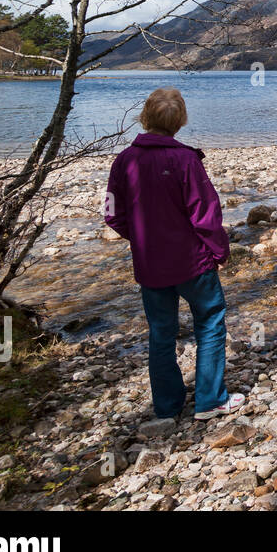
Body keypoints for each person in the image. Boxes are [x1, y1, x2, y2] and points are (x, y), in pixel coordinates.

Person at [105, 87, 244, 420]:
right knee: (210, 323)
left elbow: (112, 213)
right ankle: (209, 401)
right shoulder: (185, 160)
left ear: (145, 117)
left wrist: (139, 237)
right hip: (193, 262)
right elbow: (206, 215)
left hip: (151, 264)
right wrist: (220, 251)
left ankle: (167, 407)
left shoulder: (124, 161)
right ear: (179, 122)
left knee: (161, 332)